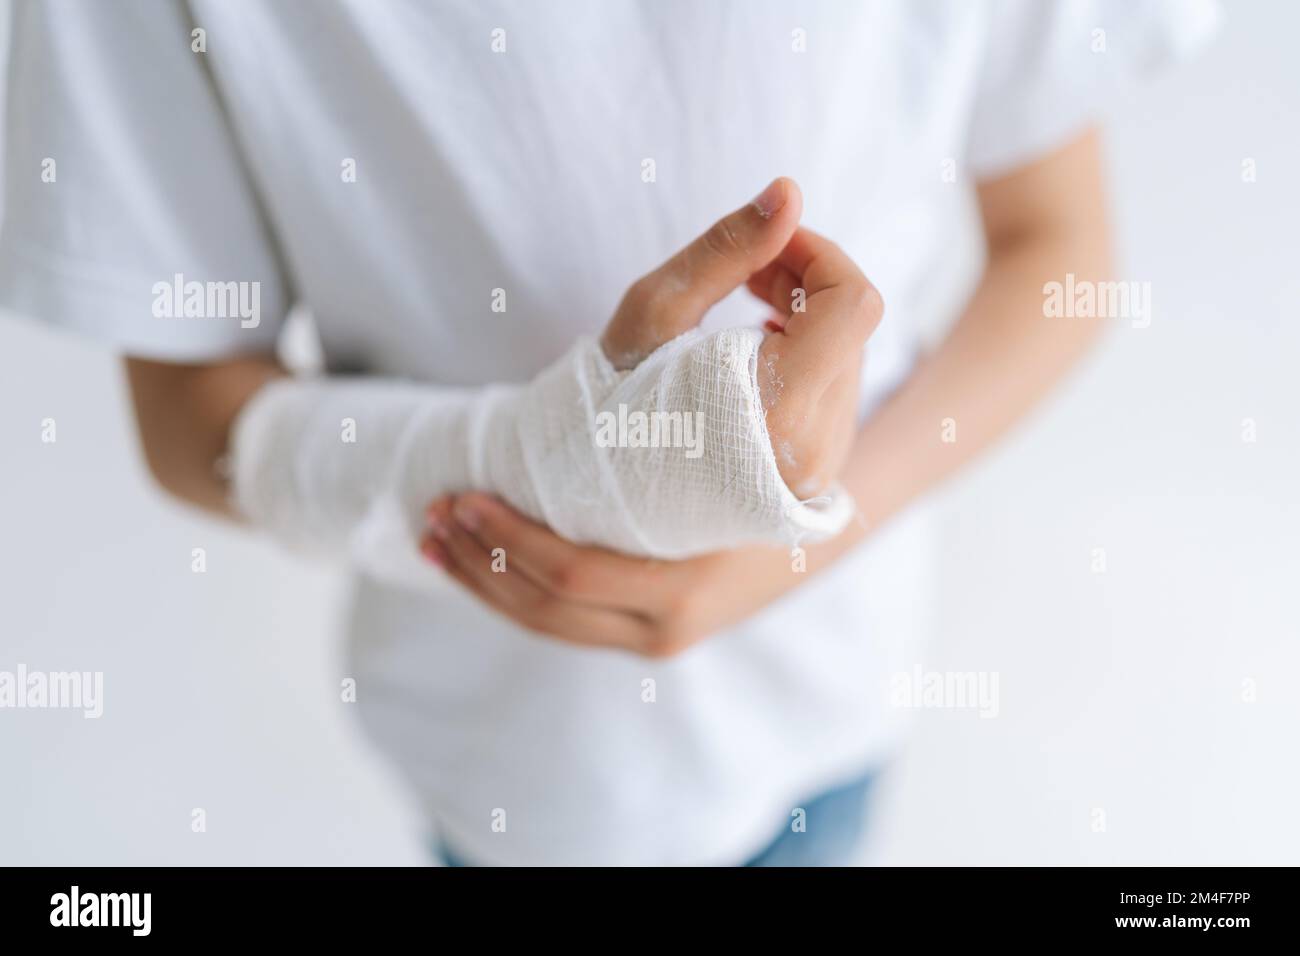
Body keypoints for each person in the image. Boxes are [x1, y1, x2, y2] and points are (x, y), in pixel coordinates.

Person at [0, 0, 1218, 866]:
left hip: (820, 709)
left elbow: (1059, 257)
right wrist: (534, 459)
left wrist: (797, 535)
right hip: (499, 765)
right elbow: (184, 417)